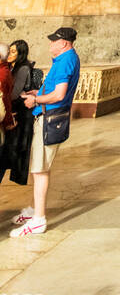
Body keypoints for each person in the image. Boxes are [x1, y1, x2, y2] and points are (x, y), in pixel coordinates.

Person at [9, 27, 81, 238]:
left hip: (50, 118)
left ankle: (39, 220)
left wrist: (36, 100)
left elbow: (59, 94)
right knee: (40, 167)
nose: (50, 45)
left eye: (53, 42)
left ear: (64, 43)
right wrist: (37, 92)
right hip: (48, 116)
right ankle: (34, 210)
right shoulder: (65, 58)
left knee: (40, 170)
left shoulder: (67, 60)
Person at [0, 40, 38, 187]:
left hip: (18, 118)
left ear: (20, 54)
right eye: (9, 50)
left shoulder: (22, 69)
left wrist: (8, 114)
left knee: (10, 154)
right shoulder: (8, 68)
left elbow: (14, 94)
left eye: (13, 52)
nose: (9, 54)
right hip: (9, 114)